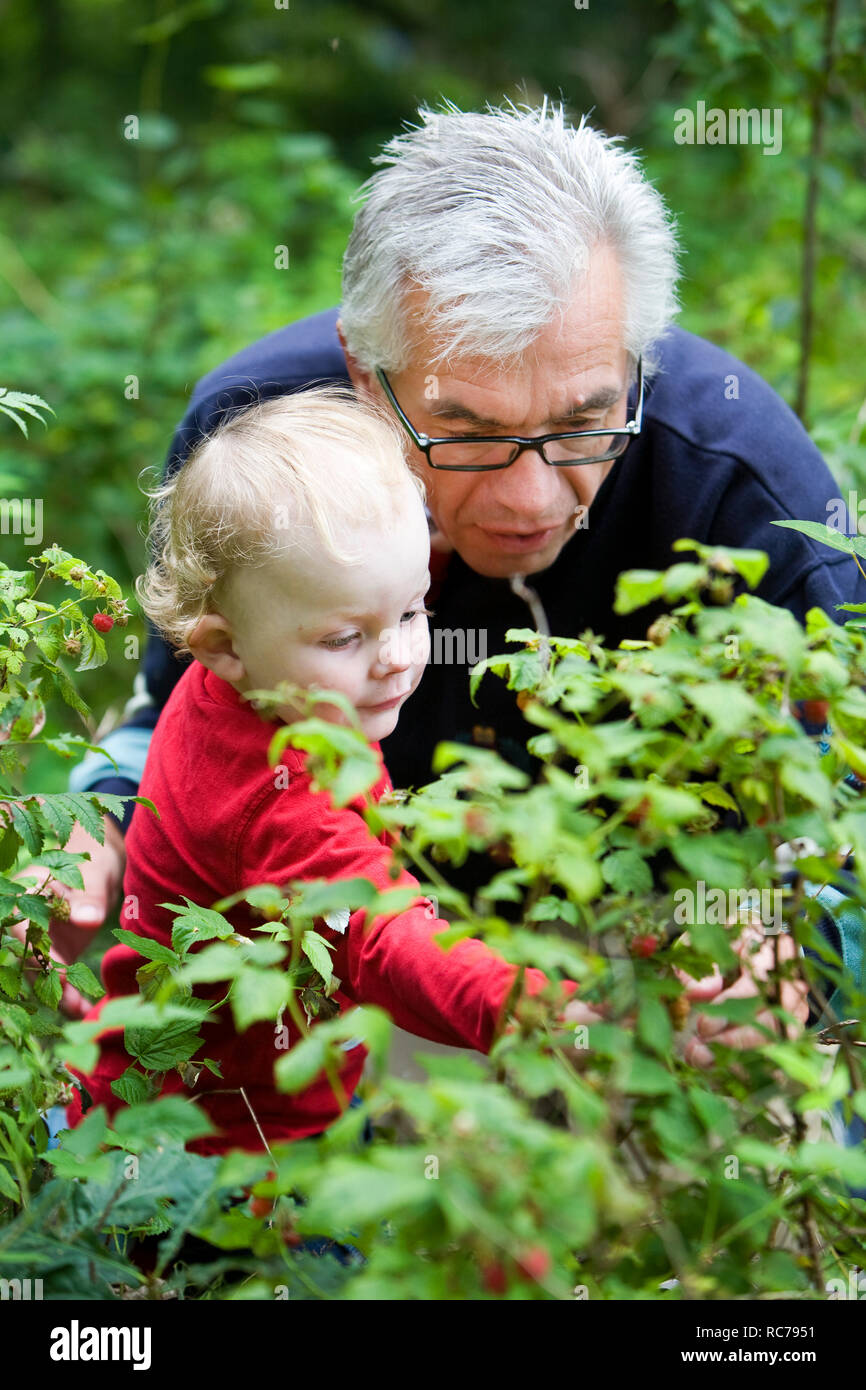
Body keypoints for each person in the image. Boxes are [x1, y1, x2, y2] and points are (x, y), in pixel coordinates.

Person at [47, 100, 864, 1033]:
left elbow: (839, 803)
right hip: (355, 968)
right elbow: (187, 725)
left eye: (580, 422)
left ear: (637, 362)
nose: (530, 497)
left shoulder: (742, 487)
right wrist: (92, 831)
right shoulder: (260, 452)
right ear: (364, 371)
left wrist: (791, 934)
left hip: (670, 969)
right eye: (467, 432)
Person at [64, 387, 597, 1154]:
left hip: (162, 1092)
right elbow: (382, 940)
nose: (398, 658)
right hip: (237, 1159)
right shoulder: (280, 797)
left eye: (413, 611)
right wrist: (534, 1006)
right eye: (346, 637)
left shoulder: (234, 687)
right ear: (222, 643)